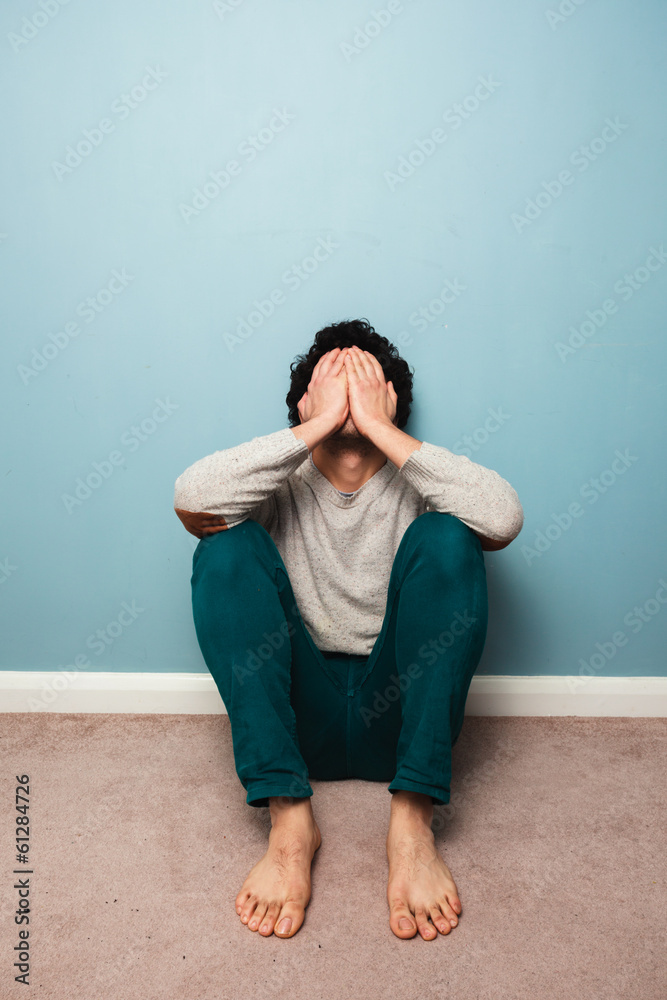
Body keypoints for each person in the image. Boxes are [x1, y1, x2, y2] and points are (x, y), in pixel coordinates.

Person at [173, 319, 524, 942]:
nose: (347, 392)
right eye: (328, 383)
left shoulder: (422, 481)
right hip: (298, 716)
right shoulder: (277, 483)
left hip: (399, 719)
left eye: (364, 383)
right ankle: (289, 820)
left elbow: (503, 518)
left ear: (390, 402)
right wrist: (314, 427)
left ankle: (413, 823)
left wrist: (382, 430)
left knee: (450, 539)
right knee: (223, 551)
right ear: (304, 404)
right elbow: (191, 497)